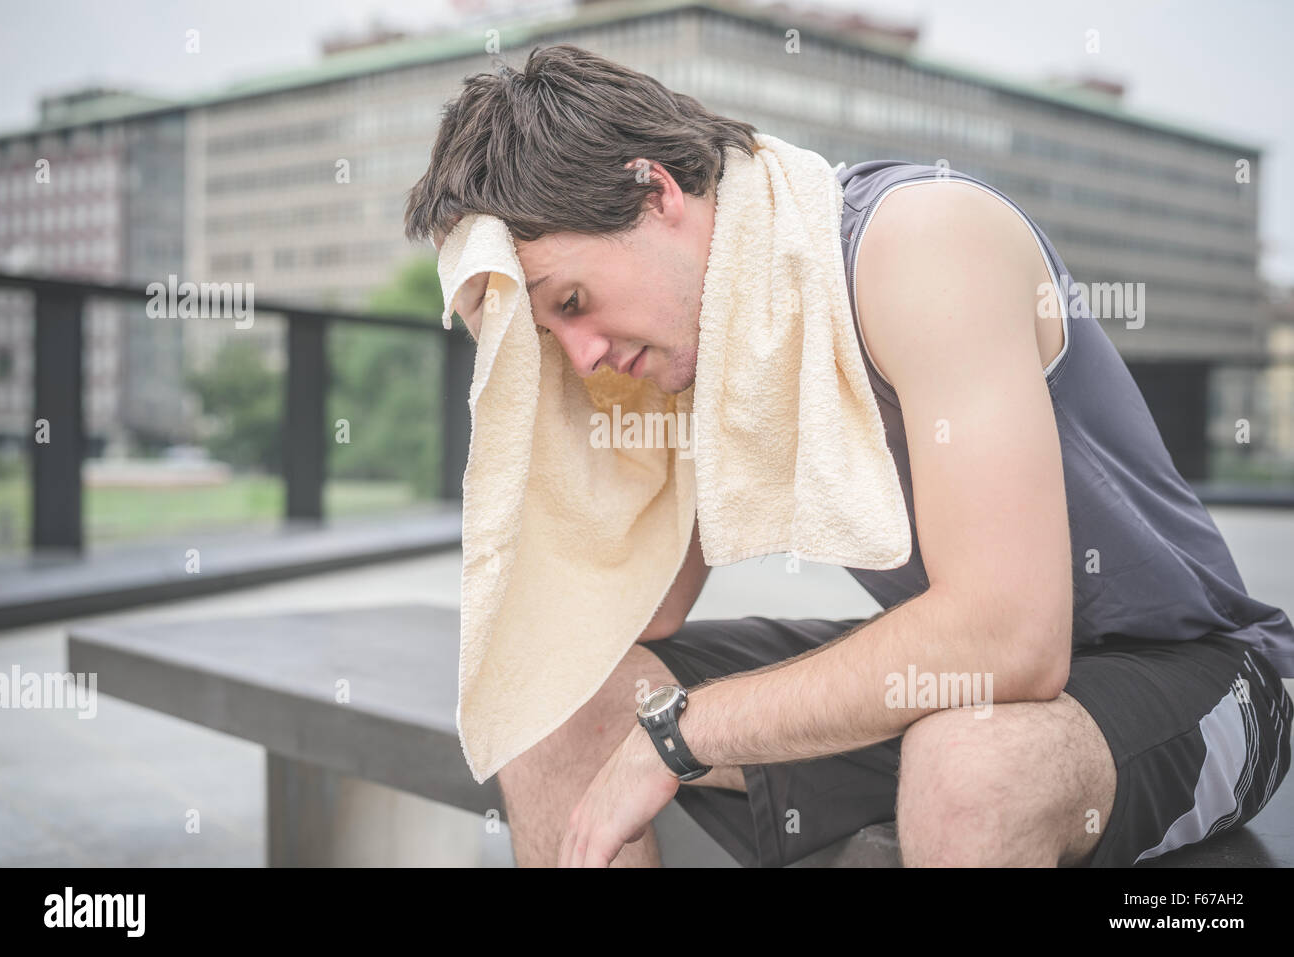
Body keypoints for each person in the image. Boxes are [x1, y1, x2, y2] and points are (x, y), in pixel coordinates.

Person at [405, 43, 1294, 868]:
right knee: (555, 707)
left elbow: (1012, 636)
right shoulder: (719, 341)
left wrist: (685, 731)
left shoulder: (918, 243)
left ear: (655, 191)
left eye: (573, 299)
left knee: (971, 764)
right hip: (965, 677)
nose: (584, 352)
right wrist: (556, 380)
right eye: (551, 335)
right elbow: (649, 613)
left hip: (1198, 671)